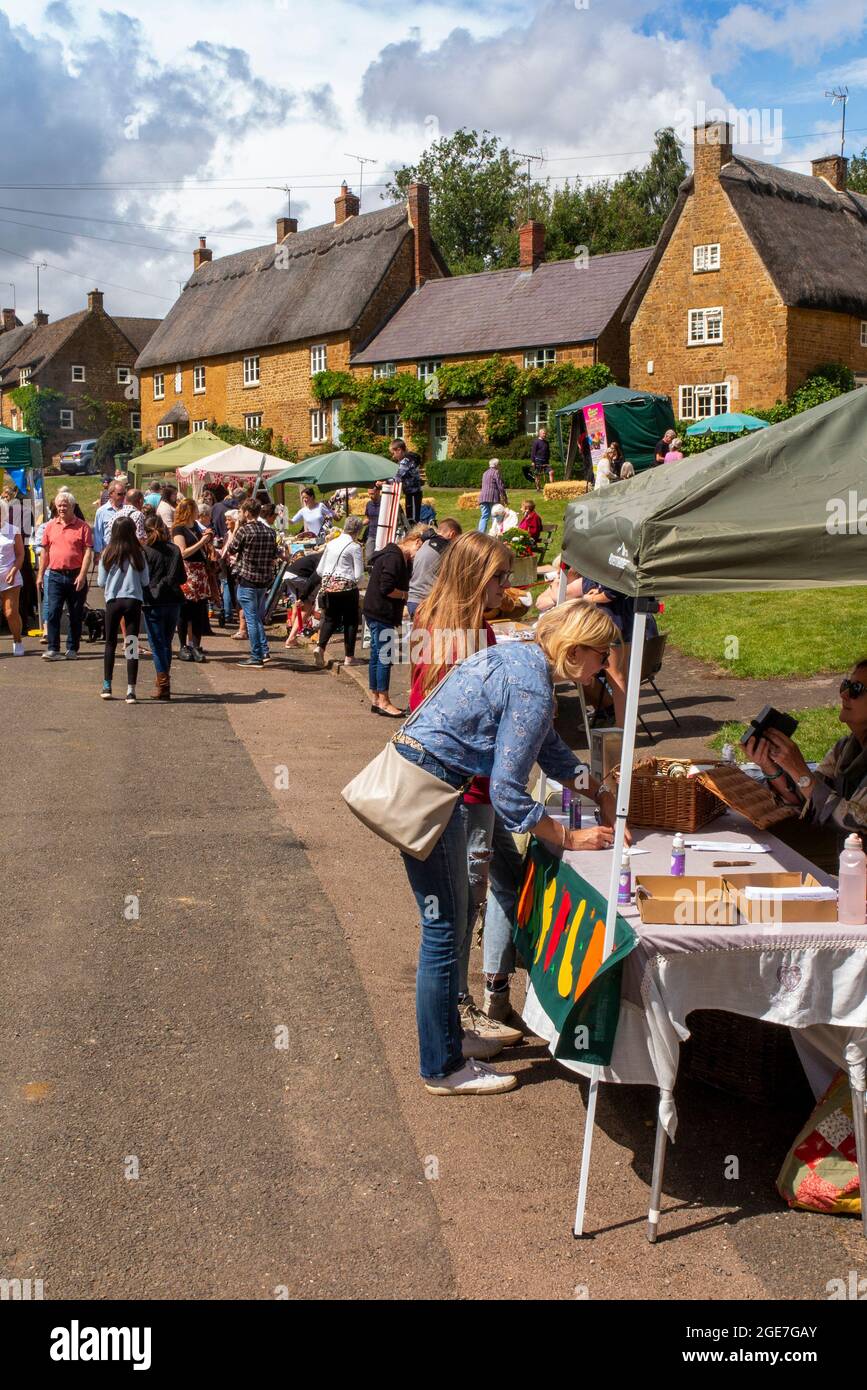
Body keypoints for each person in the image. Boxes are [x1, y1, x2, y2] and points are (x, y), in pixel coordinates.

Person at [394, 598, 621, 1095]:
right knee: (443, 931)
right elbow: (507, 790)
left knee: (447, 926)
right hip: (433, 791)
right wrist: (567, 838)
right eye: (603, 654)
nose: (607, 665)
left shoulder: (524, 659)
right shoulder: (534, 686)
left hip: (430, 782)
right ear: (576, 649)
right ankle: (442, 1066)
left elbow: (546, 748)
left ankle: (449, 1040)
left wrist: (597, 788)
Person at [409, 531, 523, 1054]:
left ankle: (487, 996)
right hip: (467, 789)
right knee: (460, 907)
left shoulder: (438, 620)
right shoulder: (469, 633)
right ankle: (461, 1016)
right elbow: (474, 715)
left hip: (461, 786)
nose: (506, 586)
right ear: (477, 577)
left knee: (498, 884)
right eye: (499, 576)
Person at [747, 662, 867, 833]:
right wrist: (770, 767)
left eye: (857, 688)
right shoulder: (846, 747)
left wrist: (800, 771)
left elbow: (853, 822)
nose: (844, 694)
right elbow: (810, 799)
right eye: (846, 685)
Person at [363, 524, 426, 716]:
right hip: (382, 612)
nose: (419, 556)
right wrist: (405, 595)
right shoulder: (395, 557)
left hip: (374, 610)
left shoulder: (392, 555)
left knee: (376, 655)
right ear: (416, 541)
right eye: (420, 550)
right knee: (384, 656)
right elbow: (387, 588)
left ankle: (376, 697)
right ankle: (384, 700)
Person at [97, 516, 150, 703]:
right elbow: (145, 581)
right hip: (133, 599)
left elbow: (100, 582)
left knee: (110, 643)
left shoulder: (107, 553)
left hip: (113, 599)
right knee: (132, 643)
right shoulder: (139, 553)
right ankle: (131, 689)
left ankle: (107, 684)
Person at [38, 492, 93, 660]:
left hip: (75, 575)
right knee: (53, 612)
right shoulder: (50, 526)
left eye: (65, 505)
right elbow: (45, 552)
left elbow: (88, 552)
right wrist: (40, 574)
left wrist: (83, 575)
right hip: (54, 575)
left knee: (75, 614)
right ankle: (53, 648)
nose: (61, 508)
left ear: (72, 507)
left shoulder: (83, 527)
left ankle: (72, 648)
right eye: (59, 505)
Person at [226, 497, 278, 670]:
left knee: (250, 619)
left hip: (248, 579)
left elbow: (231, 548)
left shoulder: (245, 530)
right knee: (255, 616)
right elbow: (274, 554)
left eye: (241, 511)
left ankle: (256, 656)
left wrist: (238, 527)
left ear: (247, 512)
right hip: (263, 580)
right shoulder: (270, 531)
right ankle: (263, 650)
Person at [141, 514, 186, 699]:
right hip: (173, 600)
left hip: (153, 601)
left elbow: (142, 578)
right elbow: (182, 577)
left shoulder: (145, 551)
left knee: (157, 643)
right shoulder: (174, 550)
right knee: (165, 642)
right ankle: (163, 680)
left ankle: (163, 682)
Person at [315, 516, 364, 669]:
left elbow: (320, 570)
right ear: (357, 531)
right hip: (347, 588)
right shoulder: (354, 547)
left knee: (330, 619)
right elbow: (359, 575)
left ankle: (320, 647)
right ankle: (349, 656)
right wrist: (356, 583)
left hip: (329, 586)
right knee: (350, 621)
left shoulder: (331, 543)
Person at [172, 498, 213, 663]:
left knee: (198, 612)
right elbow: (182, 552)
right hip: (187, 572)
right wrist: (202, 542)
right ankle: (183, 646)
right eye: (195, 509)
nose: (198, 512)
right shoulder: (178, 529)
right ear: (189, 511)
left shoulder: (196, 526)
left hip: (200, 572)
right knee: (184, 611)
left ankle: (195, 645)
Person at [406, 519, 462, 617]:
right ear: (452, 534)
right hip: (427, 603)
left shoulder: (426, 543)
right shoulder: (445, 548)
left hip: (413, 600)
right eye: (457, 540)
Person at [284, 550, 322, 647]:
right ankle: (294, 636)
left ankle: (293, 636)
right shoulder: (324, 559)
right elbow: (315, 577)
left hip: (288, 575)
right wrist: (304, 596)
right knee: (307, 606)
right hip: (299, 576)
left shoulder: (316, 556)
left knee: (299, 605)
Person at [0, 511, 25, 655]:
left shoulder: (12, 530)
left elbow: (21, 554)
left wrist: (14, 570)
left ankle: (17, 640)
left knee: (10, 612)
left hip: (10, 576)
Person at [390, 439, 423, 525]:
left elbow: (397, 477)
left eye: (393, 453)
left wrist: (384, 482)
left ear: (399, 450)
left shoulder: (406, 461)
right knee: (410, 518)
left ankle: (415, 536)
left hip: (413, 494)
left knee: (413, 520)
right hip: (410, 493)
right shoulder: (408, 459)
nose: (393, 456)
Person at [478, 458, 507, 533]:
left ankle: (480, 534)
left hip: (483, 497)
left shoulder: (485, 473)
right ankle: (494, 533)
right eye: (499, 464)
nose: (500, 466)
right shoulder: (496, 472)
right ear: (496, 465)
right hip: (493, 497)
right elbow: (500, 486)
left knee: (484, 516)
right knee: (495, 515)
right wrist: (504, 497)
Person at [363, 484, 382, 566]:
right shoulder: (368, 504)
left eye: (372, 494)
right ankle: (372, 575)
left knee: (381, 557)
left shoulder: (385, 503)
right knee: (369, 556)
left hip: (382, 534)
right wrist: (359, 524)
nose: (370, 496)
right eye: (369, 494)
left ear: (378, 491)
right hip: (372, 534)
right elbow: (368, 518)